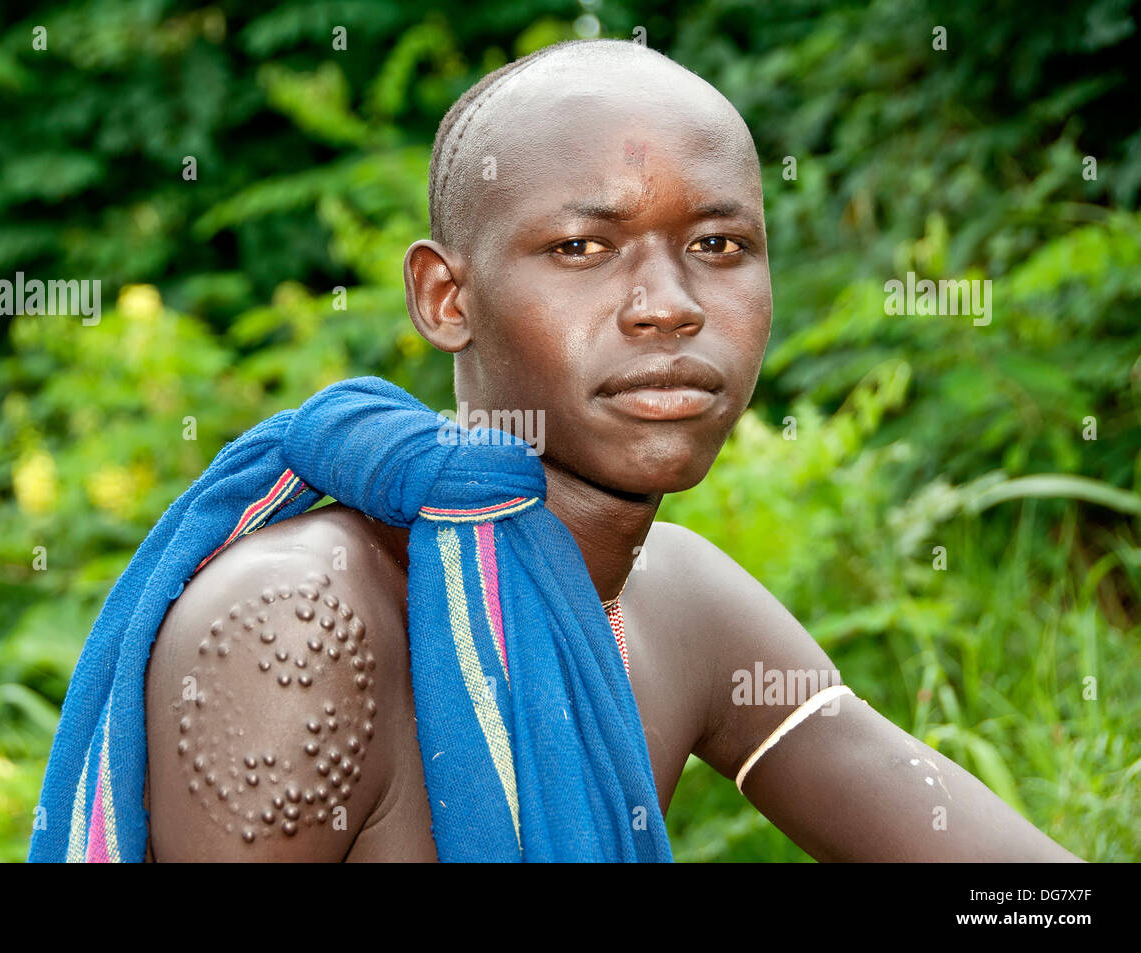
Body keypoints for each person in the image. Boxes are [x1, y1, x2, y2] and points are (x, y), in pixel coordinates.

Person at [141, 37, 1081, 861]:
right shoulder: (298, 621)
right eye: (584, 248)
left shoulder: (679, 603)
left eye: (717, 243)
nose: (669, 303)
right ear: (445, 299)